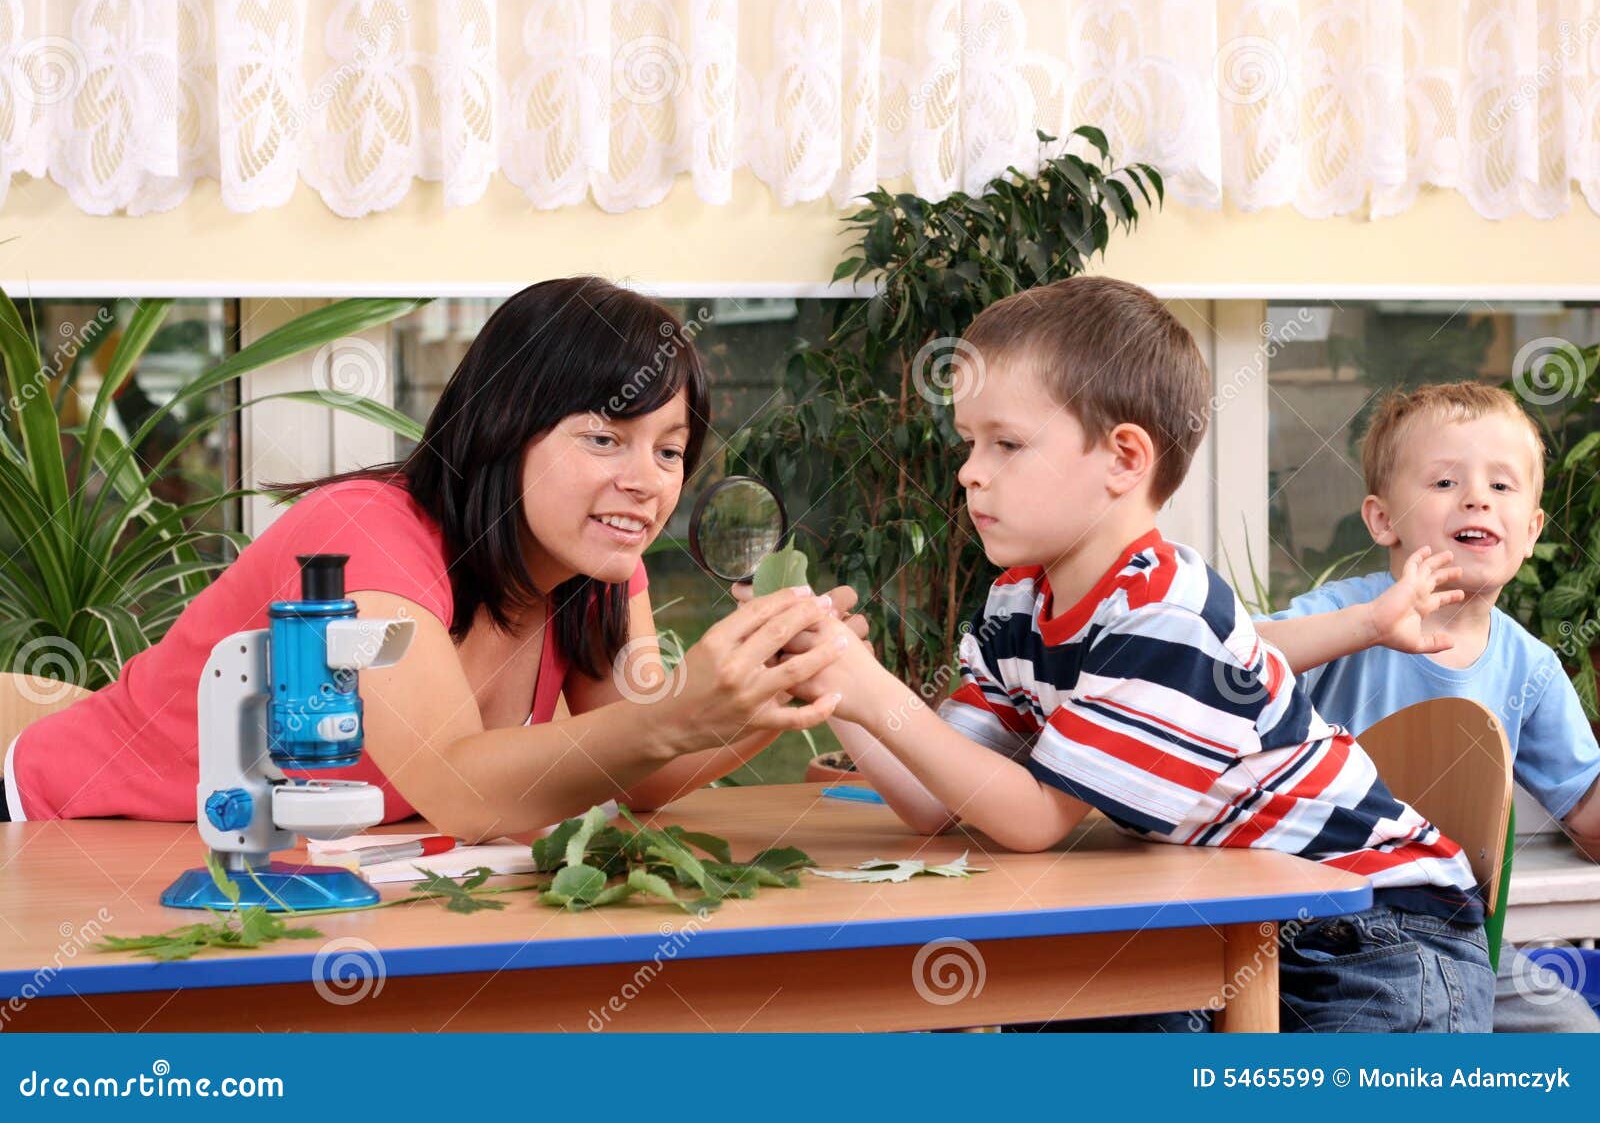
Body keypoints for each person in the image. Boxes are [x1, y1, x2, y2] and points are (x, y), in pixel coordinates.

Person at [785, 276, 1494, 1031]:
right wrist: (840, 690)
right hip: (1225, 919)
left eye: (1006, 443)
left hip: (1377, 930)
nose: (969, 470)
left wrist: (872, 686)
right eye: (969, 443)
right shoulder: (1018, 605)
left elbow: (1031, 819)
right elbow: (936, 802)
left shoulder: (1166, 611)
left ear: (1124, 458)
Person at [3, 278, 858, 841]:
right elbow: (459, 786)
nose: (646, 482)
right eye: (605, 438)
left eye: (670, 452)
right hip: (65, 833)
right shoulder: (367, 537)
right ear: (503, 424)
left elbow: (645, 772)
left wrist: (765, 695)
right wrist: (676, 711)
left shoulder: (598, 572)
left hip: (250, 871)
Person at [1256, 381, 1600, 1032]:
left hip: (1454, 934)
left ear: (1529, 532)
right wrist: (1364, 626)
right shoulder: (1345, 615)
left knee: (1574, 1036)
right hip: (1320, 931)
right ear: (1383, 519)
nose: (1476, 496)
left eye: (1502, 486)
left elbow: (1589, 818)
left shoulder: (1531, 666)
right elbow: (1234, 658)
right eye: (1445, 482)